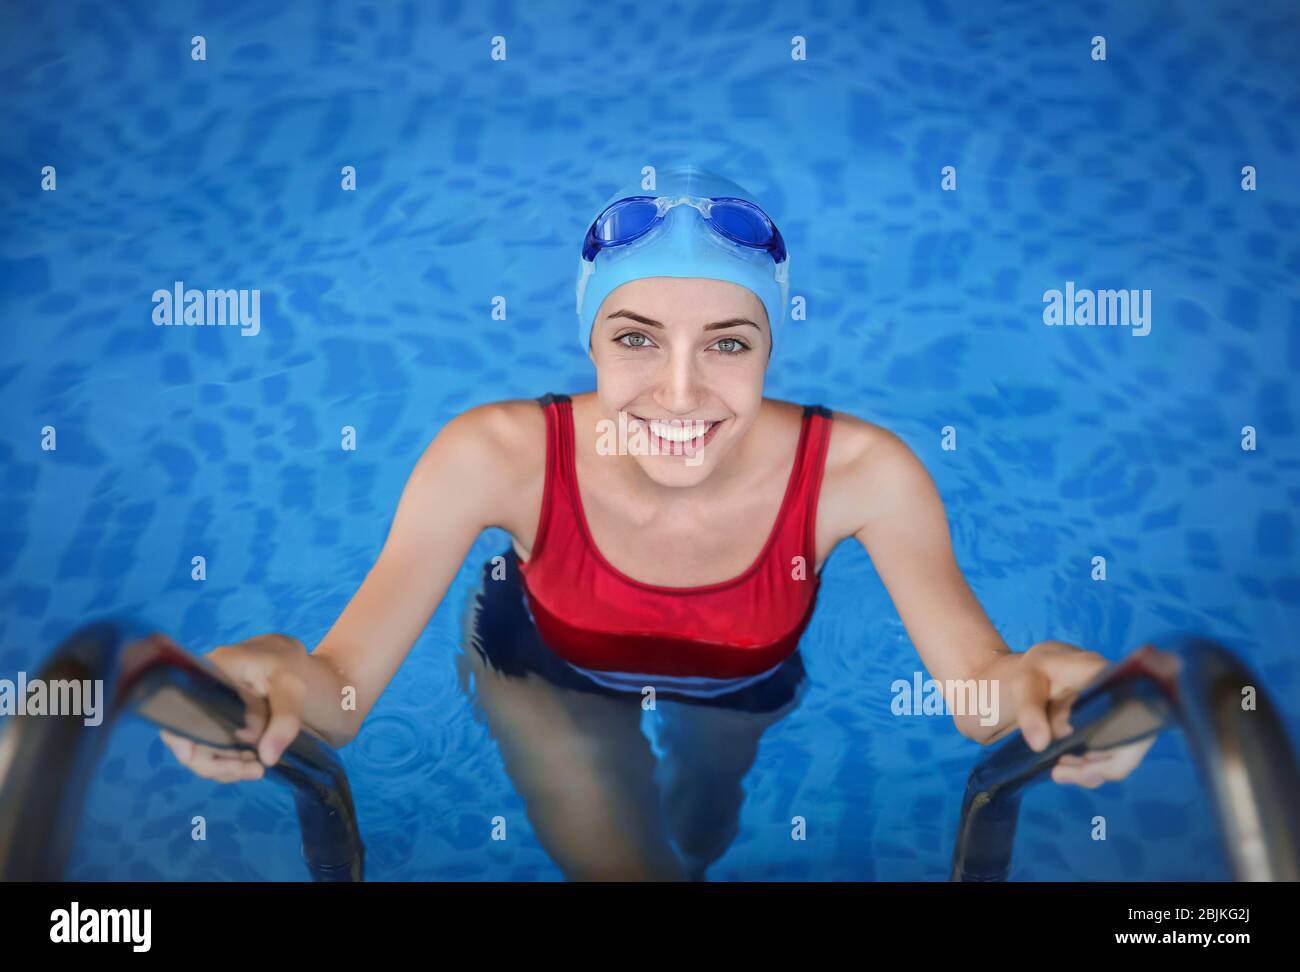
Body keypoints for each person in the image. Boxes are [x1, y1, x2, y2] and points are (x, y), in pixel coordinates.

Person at [161, 164, 1155, 880]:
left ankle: (707, 802)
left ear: (771, 347)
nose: (680, 393)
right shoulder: (496, 456)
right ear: (589, 338)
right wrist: (273, 681)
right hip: (545, 668)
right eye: (636, 338)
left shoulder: (859, 472)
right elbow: (337, 694)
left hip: (746, 673)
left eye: (727, 343)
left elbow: (982, 696)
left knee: (709, 823)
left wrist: (1049, 694)